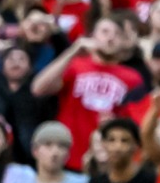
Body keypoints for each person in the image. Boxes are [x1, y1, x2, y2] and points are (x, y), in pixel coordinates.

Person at [29, 14, 145, 170]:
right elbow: (38, 89)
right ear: (92, 36)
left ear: (123, 42)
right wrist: (72, 51)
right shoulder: (75, 65)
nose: (110, 38)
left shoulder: (133, 77)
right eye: (105, 32)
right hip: (68, 154)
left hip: (107, 160)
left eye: (117, 34)